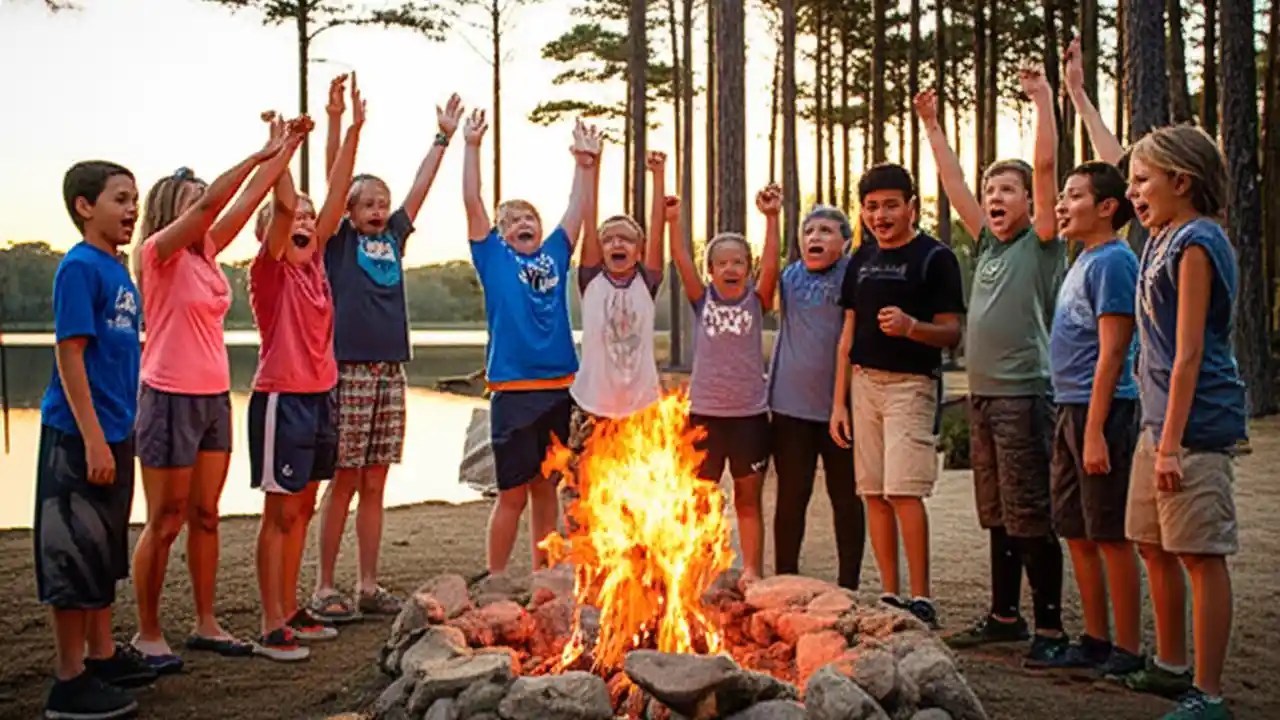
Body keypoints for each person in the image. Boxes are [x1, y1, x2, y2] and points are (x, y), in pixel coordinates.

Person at [129, 122, 304, 671]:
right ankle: (148, 632)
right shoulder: (158, 254)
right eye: (189, 201)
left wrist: (282, 154)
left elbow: (250, 198)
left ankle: (205, 622)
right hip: (168, 395)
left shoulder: (205, 255)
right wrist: (255, 154)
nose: (202, 207)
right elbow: (210, 207)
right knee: (165, 519)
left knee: (206, 515)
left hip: (211, 399)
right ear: (169, 213)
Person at [916, 65, 1070, 663]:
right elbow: (953, 183)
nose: (994, 198)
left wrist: (1042, 100)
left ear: (1034, 203)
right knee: (997, 513)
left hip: (1023, 396)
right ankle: (1005, 616)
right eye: (991, 192)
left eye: (1008, 190)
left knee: (1030, 512)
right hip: (982, 396)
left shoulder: (1042, 244)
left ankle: (1051, 630)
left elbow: (1050, 166)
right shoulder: (985, 245)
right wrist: (931, 126)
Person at [309, 78, 466, 622]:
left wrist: (441, 140)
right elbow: (334, 178)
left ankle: (368, 585)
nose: (378, 210)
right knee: (345, 477)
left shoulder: (394, 237)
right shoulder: (338, 241)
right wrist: (340, 124)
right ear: (348, 211)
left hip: (389, 371)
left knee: (376, 479)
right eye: (367, 203)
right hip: (347, 371)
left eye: (382, 203)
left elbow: (420, 189)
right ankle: (325, 585)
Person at [1123, 125, 1244, 720]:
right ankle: (1170, 667)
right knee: (1152, 541)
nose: (1132, 192)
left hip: (1192, 425)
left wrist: (1170, 445)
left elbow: (1190, 352)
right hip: (1158, 421)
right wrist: (1072, 94)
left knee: (1199, 553)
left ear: (1182, 181)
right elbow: (1118, 155)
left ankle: (1209, 692)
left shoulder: (1196, 242)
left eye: (1143, 181)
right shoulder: (1162, 233)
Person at [38, 160, 156, 719]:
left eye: (135, 199)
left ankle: (103, 655)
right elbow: (70, 355)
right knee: (72, 555)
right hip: (78, 436)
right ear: (86, 207)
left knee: (105, 551)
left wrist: (115, 432)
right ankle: (69, 679)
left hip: (115, 430)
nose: (132, 209)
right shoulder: (79, 267)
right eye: (120, 199)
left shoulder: (116, 268)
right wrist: (90, 439)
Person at [247, 80, 360, 662]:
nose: (307, 220)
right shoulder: (269, 272)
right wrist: (283, 149)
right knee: (281, 510)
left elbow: (337, 193)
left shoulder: (315, 264)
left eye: (314, 219)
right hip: (281, 399)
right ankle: (270, 624)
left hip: (320, 397)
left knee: (303, 507)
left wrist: (350, 127)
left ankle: (291, 609)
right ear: (272, 228)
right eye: (296, 217)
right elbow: (288, 204)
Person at [463, 111, 600, 576]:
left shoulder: (555, 254)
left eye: (530, 218)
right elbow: (473, 202)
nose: (524, 222)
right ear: (500, 234)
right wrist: (472, 147)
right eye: (513, 219)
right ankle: (497, 580)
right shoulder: (494, 259)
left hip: (558, 388)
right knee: (512, 494)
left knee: (547, 488)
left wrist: (585, 165)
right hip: (513, 394)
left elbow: (576, 211)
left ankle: (544, 576)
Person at [829, 163, 964, 626]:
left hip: (912, 385)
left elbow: (951, 333)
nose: (880, 215)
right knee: (873, 492)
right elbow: (846, 334)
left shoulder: (934, 258)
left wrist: (911, 328)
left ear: (911, 205)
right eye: (871, 207)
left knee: (904, 490)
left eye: (890, 205)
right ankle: (890, 591)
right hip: (864, 384)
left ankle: (921, 597)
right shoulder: (860, 261)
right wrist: (838, 404)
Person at [1033, 136, 1146, 678]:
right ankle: (1095, 638)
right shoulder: (1081, 259)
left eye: (1074, 195)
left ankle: (1128, 647)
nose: (1062, 203)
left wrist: (1097, 429)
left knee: (1109, 531)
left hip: (1103, 412)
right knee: (1075, 527)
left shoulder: (1115, 262)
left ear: (1106, 207)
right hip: (1069, 408)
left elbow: (1114, 350)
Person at [669, 184, 783, 583]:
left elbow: (772, 265)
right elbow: (681, 258)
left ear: (747, 269)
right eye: (723, 263)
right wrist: (672, 221)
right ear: (711, 270)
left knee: (748, 499)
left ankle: (752, 571)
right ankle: (697, 570)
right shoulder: (703, 300)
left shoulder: (757, 300)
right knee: (700, 501)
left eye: (738, 262)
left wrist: (771, 219)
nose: (731, 269)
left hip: (750, 417)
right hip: (704, 417)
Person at [770, 203, 866, 591]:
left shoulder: (853, 277)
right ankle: (785, 579)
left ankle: (849, 586)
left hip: (841, 410)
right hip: (789, 407)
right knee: (792, 497)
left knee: (845, 498)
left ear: (845, 242)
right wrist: (773, 217)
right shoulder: (788, 278)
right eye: (809, 231)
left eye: (826, 231)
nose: (815, 238)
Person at [565, 147, 665, 478]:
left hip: (641, 405)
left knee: (639, 489)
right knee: (585, 487)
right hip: (592, 403)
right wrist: (593, 167)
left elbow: (657, 225)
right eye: (609, 240)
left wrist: (658, 177)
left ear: (639, 251)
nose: (616, 245)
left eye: (626, 240)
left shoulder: (646, 281)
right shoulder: (592, 279)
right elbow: (589, 221)